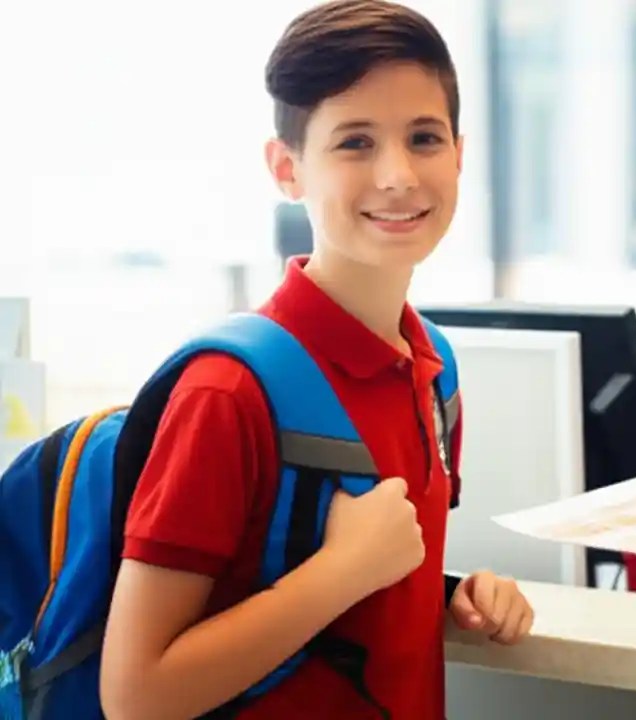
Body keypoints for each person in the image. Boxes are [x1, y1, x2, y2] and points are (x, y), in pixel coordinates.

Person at [99, 2, 533, 718]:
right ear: (287, 167)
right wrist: (343, 572)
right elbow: (136, 696)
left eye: (423, 138)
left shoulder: (434, 368)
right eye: (355, 143)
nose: (397, 175)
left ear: (459, 153)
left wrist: (455, 591)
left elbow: (354, 591)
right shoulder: (229, 393)